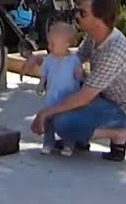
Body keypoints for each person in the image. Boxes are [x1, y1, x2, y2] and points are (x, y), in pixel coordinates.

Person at [26, 0, 126, 162]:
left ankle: (119, 135)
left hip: (122, 109)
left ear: (99, 19)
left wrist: (44, 113)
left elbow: (85, 97)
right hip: (102, 97)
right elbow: (73, 59)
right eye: (77, 11)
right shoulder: (95, 37)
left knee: (63, 123)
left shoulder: (114, 50)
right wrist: (40, 60)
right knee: (60, 102)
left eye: (83, 13)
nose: (77, 16)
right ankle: (80, 138)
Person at [35, 22, 84, 155]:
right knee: (49, 122)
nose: (49, 47)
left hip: (67, 99)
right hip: (51, 98)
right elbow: (44, 73)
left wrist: (80, 74)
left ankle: (68, 144)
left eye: (53, 44)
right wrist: (41, 84)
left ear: (67, 43)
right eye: (49, 43)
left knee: (67, 123)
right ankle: (48, 143)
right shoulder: (49, 59)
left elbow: (79, 76)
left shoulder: (74, 60)